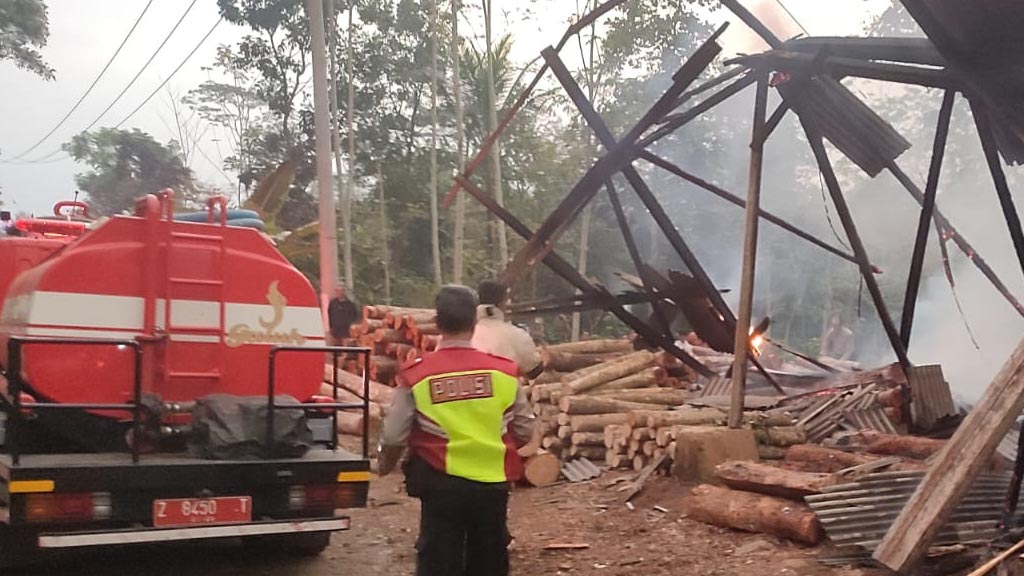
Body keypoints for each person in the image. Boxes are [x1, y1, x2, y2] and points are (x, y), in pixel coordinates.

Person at [379, 285, 534, 576]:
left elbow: (393, 435)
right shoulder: (503, 372)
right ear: (474, 324)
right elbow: (525, 428)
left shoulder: (416, 374)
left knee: (439, 560)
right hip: (492, 484)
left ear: (437, 324)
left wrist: (384, 467)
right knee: (489, 559)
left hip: (440, 485)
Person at [471, 280, 543, 380]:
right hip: (507, 393)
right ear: (502, 303)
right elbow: (534, 371)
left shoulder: (464, 336)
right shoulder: (516, 335)